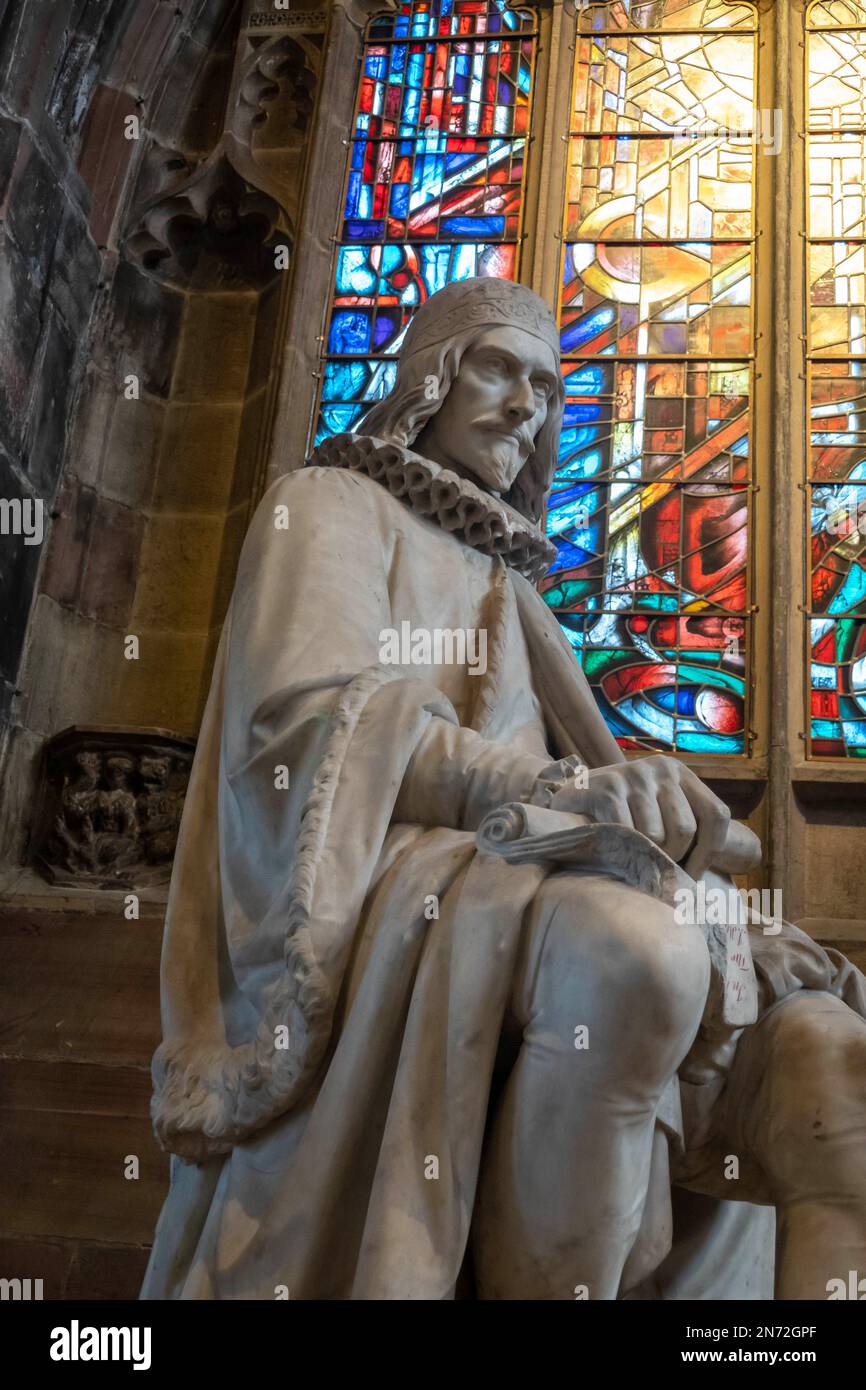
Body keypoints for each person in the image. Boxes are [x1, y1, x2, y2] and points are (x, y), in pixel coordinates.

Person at [141, 277, 866, 1300]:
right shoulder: (332, 504)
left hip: (551, 876)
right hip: (413, 879)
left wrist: (725, 917)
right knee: (635, 958)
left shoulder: (518, 593)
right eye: (497, 367)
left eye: (547, 386)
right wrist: (546, 789)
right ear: (424, 383)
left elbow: (608, 805)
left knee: (828, 1058)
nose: (527, 404)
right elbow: (305, 724)